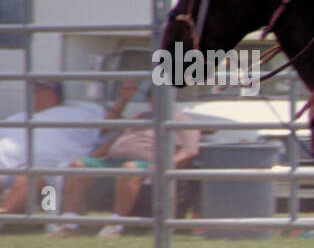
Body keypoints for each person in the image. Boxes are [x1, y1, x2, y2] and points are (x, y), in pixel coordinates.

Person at [50, 83, 200, 237]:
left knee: (129, 168)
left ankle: (116, 225)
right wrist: (123, 100)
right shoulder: (139, 117)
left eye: (159, 96)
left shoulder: (182, 121)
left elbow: (189, 150)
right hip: (113, 161)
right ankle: (70, 224)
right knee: (77, 165)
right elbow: (105, 130)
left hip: (148, 164)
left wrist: (164, 165)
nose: (155, 100)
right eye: (152, 97)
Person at [0, 81, 102, 217]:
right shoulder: (17, 118)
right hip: (6, 162)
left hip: (45, 164)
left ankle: (4, 216)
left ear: (51, 93)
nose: (29, 96)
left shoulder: (81, 114)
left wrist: (123, 101)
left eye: (35, 91)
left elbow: (106, 130)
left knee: (29, 177)